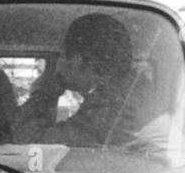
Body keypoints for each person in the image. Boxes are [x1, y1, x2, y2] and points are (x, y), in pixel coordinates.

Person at [18, 13, 152, 147]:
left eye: (62, 56)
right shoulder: (134, 92)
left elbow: (31, 145)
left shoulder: (109, 107)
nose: (58, 67)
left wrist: (43, 94)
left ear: (77, 60)